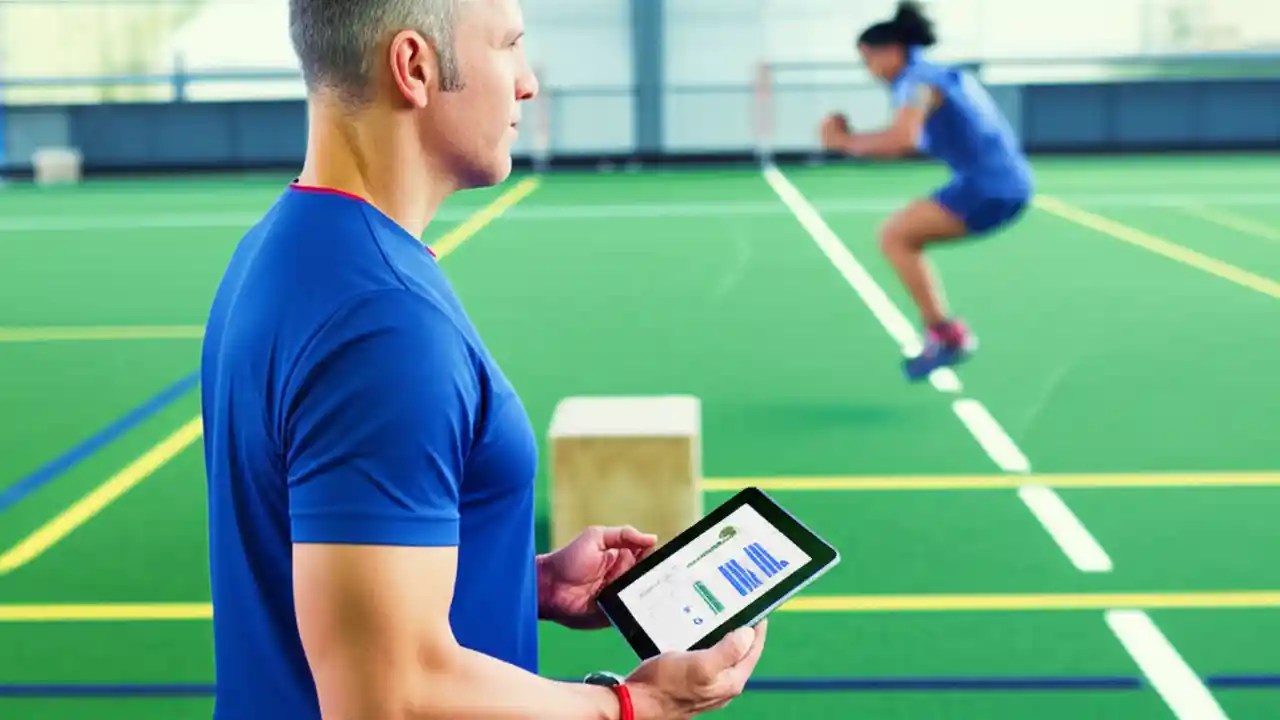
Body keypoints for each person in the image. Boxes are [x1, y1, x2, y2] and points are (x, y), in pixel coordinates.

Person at [200, 1, 767, 718]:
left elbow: (324, 575)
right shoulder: (382, 323)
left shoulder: (286, 248)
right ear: (415, 67)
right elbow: (388, 695)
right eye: (509, 47)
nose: (527, 83)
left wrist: (516, 581)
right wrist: (631, 705)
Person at [819, 1, 1034, 381]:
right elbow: (914, 140)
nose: (869, 72)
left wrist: (843, 142)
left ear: (891, 51)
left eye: (868, 60)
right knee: (898, 235)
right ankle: (944, 332)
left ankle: (947, 336)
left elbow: (900, 140)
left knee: (895, 236)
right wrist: (853, 140)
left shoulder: (918, 82)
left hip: (990, 187)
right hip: (993, 182)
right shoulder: (930, 76)